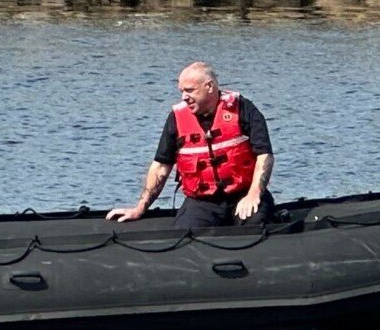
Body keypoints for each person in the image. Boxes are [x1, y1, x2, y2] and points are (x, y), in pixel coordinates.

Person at [109, 62, 275, 233]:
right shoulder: (177, 118)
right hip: (203, 201)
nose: (184, 97)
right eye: (181, 91)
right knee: (184, 234)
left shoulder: (244, 109)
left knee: (256, 226)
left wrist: (254, 194)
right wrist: (140, 207)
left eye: (189, 90)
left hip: (243, 194)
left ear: (209, 86)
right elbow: (161, 166)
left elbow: (264, 155)